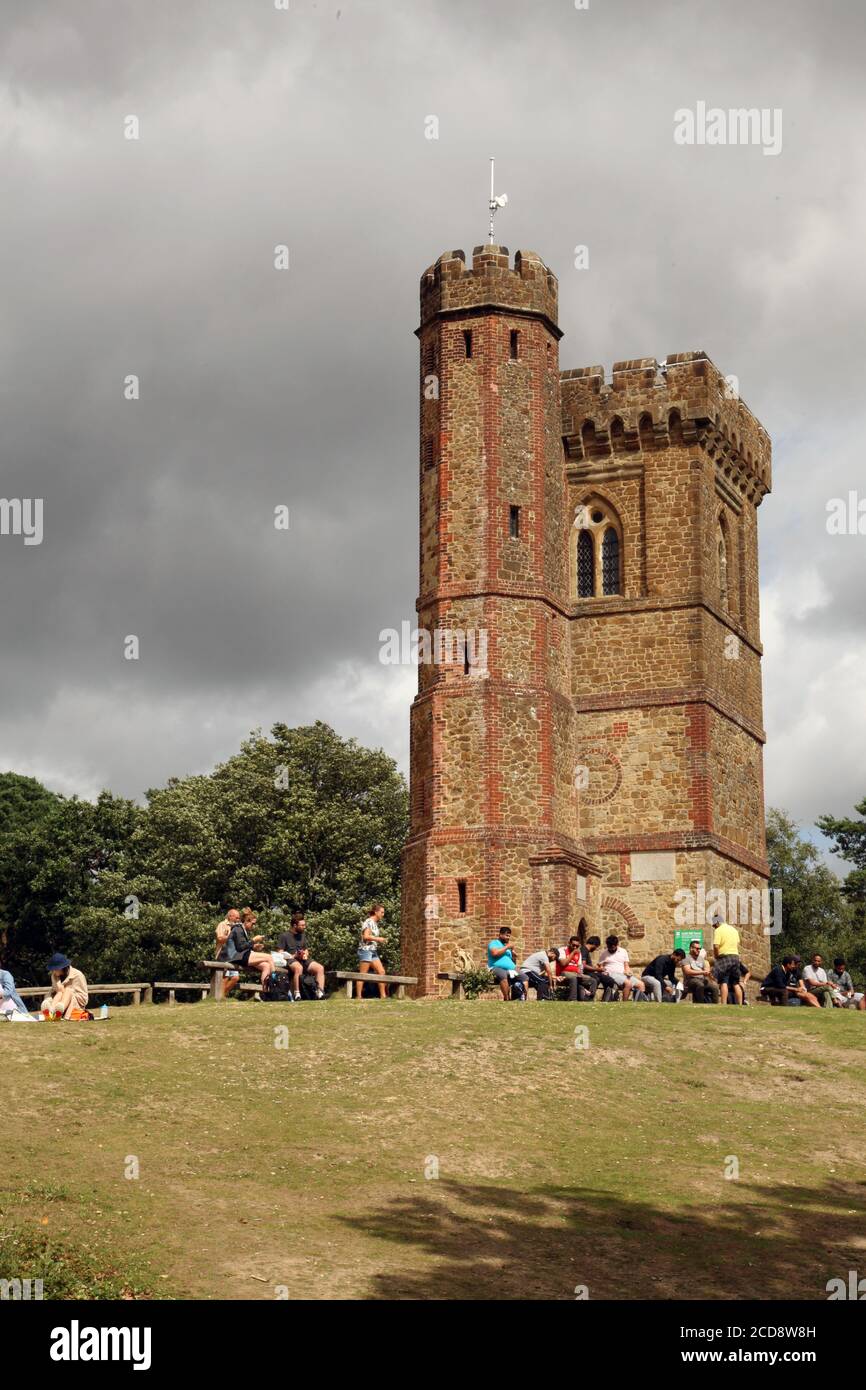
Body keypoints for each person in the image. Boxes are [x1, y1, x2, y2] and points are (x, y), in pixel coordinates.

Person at [278, 913, 325, 1001]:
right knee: (298, 968)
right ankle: (297, 994)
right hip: (290, 960)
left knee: (320, 968)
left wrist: (305, 954)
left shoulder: (302, 935)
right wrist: (294, 955)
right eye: (302, 925)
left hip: (303, 959)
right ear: (295, 925)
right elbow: (279, 953)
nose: (304, 927)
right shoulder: (284, 936)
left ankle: (320, 993)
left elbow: (306, 949)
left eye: (304, 925)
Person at [225, 911, 274, 993]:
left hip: (241, 956)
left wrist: (254, 947)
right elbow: (240, 948)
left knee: (266, 966)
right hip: (236, 957)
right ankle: (276, 985)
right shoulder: (238, 929)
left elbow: (243, 946)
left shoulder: (242, 930)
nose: (254, 926)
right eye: (253, 923)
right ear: (247, 921)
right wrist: (254, 940)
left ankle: (266, 993)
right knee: (269, 957)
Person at [40, 953, 89, 1019]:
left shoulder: (78, 975)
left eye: (56, 969)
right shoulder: (54, 976)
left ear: (62, 967)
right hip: (57, 1000)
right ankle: (52, 1012)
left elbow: (84, 999)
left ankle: (59, 1010)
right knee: (59, 992)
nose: (54, 971)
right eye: (53, 969)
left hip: (74, 1004)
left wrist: (68, 992)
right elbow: (54, 991)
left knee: (68, 990)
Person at [596, 935, 645, 1001]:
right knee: (628, 984)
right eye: (610, 948)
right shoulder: (604, 953)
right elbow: (600, 966)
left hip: (623, 974)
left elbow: (626, 965)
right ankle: (624, 1003)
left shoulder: (623, 951)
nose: (611, 949)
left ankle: (637, 1004)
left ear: (617, 945)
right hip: (612, 974)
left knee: (641, 985)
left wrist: (628, 972)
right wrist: (602, 971)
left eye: (613, 947)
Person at [356, 904, 388, 999]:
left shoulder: (375, 923)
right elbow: (365, 937)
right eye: (382, 912)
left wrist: (378, 940)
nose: (383, 914)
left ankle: (383, 996)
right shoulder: (368, 922)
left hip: (373, 951)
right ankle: (358, 997)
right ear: (376, 912)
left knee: (381, 972)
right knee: (363, 974)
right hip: (365, 950)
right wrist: (379, 939)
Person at [712, 913, 742, 1006]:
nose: (714, 927)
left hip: (724, 957)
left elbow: (716, 946)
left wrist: (716, 956)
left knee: (723, 981)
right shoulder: (734, 930)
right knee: (735, 982)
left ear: (717, 922)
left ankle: (724, 1004)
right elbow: (737, 943)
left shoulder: (719, 930)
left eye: (714, 924)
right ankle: (740, 1004)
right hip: (735, 957)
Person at [487, 926, 519, 1000]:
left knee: (524, 977)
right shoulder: (494, 943)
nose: (508, 938)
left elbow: (512, 962)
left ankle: (522, 999)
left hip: (510, 969)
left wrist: (514, 957)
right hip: (495, 968)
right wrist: (507, 947)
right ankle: (507, 998)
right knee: (503, 974)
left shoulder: (507, 948)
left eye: (509, 936)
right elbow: (494, 953)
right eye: (506, 935)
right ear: (500, 935)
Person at [215, 910, 241, 997]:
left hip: (233, 956)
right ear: (230, 916)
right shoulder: (222, 924)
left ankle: (222, 995)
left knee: (235, 977)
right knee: (225, 977)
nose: (238, 919)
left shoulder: (238, 927)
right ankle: (220, 997)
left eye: (239, 918)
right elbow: (219, 938)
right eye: (236, 917)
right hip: (222, 955)